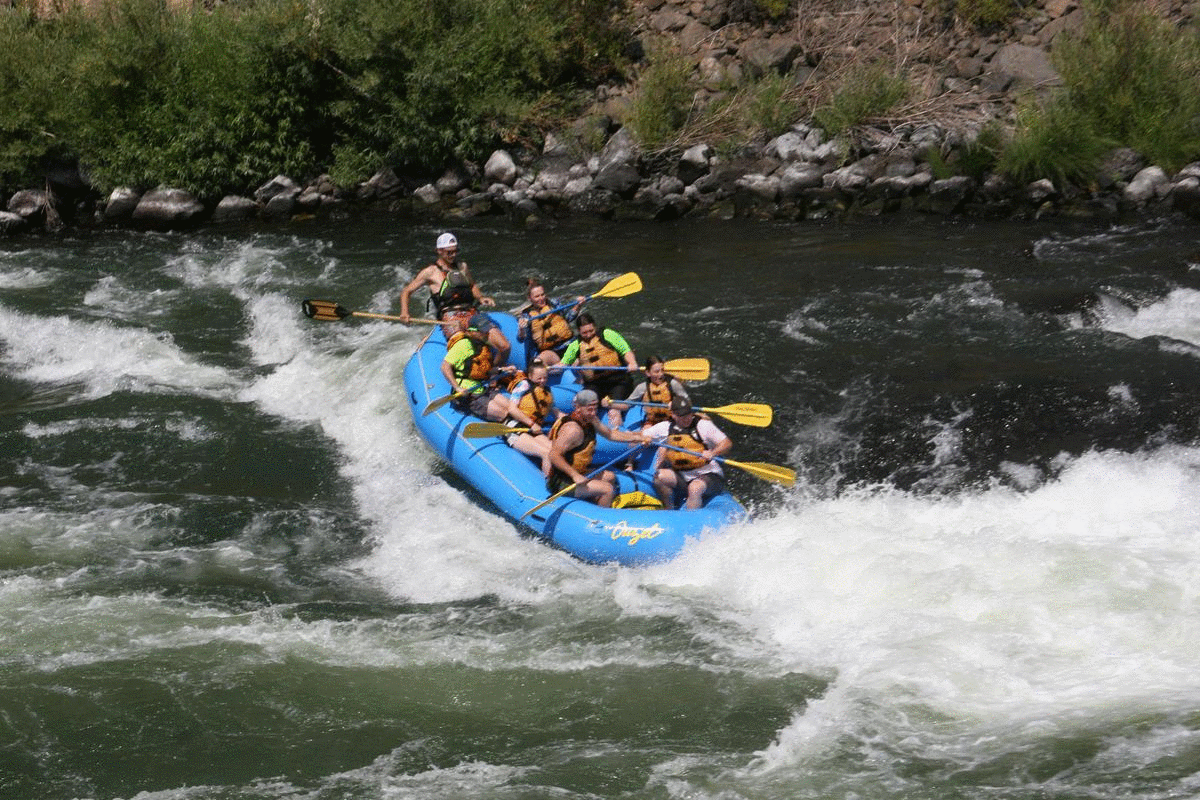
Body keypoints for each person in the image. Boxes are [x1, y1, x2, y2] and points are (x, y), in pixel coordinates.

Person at [399, 232, 509, 364]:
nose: (453, 255)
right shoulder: (430, 271)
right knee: (465, 350)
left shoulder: (462, 267)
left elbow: (472, 284)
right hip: (450, 316)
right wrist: (405, 312)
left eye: (455, 251)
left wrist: (480, 297)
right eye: (449, 252)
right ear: (439, 251)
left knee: (505, 346)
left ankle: (494, 373)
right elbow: (406, 291)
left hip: (471, 312)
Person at [545, 389, 649, 508]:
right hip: (562, 480)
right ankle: (599, 521)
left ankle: (593, 505)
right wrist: (575, 475)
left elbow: (610, 434)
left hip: (580, 472)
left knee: (610, 477)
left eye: (595, 409)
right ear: (578, 407)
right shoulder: (572, 430)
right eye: (590, 409)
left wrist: (637, 438)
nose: (594, 413)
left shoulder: (590, 419)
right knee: (608, 490)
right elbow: (554, 455)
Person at [441, 318, 537, 431]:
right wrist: (457, 387)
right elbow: (444, 366)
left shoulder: (482, 345)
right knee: (505, 414)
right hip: (469, 395)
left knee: (513, 408)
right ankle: (520, 432)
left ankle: (527, 426)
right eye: (483, 332)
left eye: (487, 331)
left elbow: (484, 370)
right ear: (473, 331)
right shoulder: (463, 345)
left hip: (481, 388)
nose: (486, 334)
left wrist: (503, 370)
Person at [647, 396, 732, 510]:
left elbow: (727, 443)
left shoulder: (703, 425)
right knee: (659, 477)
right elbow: (642, 435)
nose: (687, 418)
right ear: (673, 415)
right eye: (682, 416)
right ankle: (669, 509)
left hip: (709, 475)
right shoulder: (665, 427)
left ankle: (691, 520)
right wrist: (641, 439)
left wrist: (713, 452)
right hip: (683, 476)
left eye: (688, 414)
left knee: (694, 488)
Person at [557, 312, 638, 428]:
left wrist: (632, 363)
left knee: (614, 411)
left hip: (618, 381)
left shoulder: (608, 335)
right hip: (595, 384)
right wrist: (545, 368)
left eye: (591, 330)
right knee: (585, 408)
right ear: (579, 331)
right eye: (584, 332)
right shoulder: (575, 345)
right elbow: (563, 363)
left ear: (594, 326)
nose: (588, 334)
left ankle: (616, 436)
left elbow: (625, 350)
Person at [503, 360, 563, 464]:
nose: (542, 381)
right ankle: (548, 480)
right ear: (530, 377)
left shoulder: (546, 392)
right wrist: (532, 424)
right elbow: (512, 409)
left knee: (554, 453)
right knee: (546, 453)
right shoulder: (523, 385)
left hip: (533, 429)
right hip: (516, 426)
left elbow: (556, 412)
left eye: (545, 378)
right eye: (539, 378)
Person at [611, 355, 690, 432]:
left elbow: (687, 402)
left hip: (672, 420)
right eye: (657, 371)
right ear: (648, 373)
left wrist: (675, 404)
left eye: (662, 370)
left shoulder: (673, 384)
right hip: (652, 421)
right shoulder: (642, 387)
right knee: (641, 438)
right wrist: (610, 404)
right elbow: (627, 405)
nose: (661, 374)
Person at [516, 279, 585, 366]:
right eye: (537, 296)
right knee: (538, 362)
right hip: (552, 352)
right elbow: (521, 338)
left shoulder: (554, 304)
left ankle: (565, 365)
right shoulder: (526, 315)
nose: (541, 298)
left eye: (542, 294)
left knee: (577, 361)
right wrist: (521, 328)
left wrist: (578, 305)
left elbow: (568, 318)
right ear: (530, 298)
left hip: (569, 345)